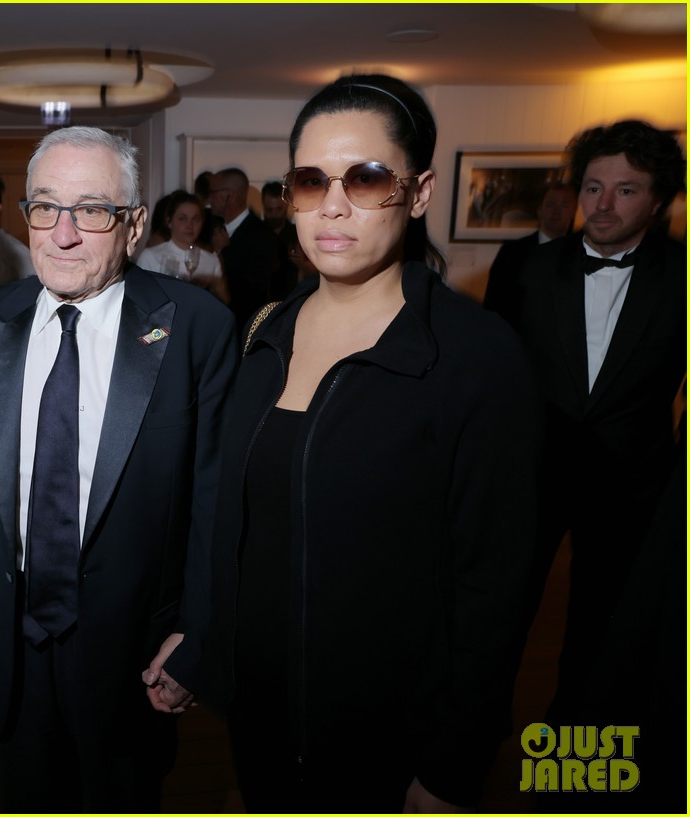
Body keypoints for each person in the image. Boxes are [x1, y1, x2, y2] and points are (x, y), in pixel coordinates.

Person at [201, 74, 543, 812]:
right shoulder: (264, 332)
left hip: (388, 738)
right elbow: (241, 525)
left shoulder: (476, 358)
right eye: (310, 181)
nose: (332, 205)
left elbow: (495, 590)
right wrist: (202, 640)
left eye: (366, 178)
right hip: (261, 717)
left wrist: (452, 762)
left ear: (418, 193)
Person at [0, 126, 236, 811]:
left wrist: (197, 635)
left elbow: (217, 500)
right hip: (12, 648)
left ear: (134, 226)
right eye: (46, 207)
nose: (63, 234)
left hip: (136, 652)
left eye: (92, 210)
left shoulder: (196, 328)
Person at [512, 120, 685, 730]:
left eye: (626, 190)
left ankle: (573, 742)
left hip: (629, 487)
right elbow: (495, 378)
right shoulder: (528, 268)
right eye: (593, 187)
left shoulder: (684, 276)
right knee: (501, 611)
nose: (603, 204)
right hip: (532, 477)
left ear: (658, 200)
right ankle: (470, 733)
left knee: (599, 625)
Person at [481, 181, 576, 324]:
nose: (557, 211)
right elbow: (493, 305)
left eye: (564, 205)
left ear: (573, 212)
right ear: (539, 210)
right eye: (550, 204)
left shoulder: (581, 255)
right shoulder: (511, 252)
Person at [208, 166, 281, 328]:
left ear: (230, 195)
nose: (209, 199)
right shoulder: (211, 228)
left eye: (213, 192)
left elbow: (256, 288)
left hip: (246, 326)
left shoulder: (262, 234)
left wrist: (224, 251)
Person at [136, 190, 226, 297]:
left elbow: (221, 301)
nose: (190, 225)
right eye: (182, 219)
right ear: (169, 222)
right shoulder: (150, 257)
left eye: (196, 219)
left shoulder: (211, 260)